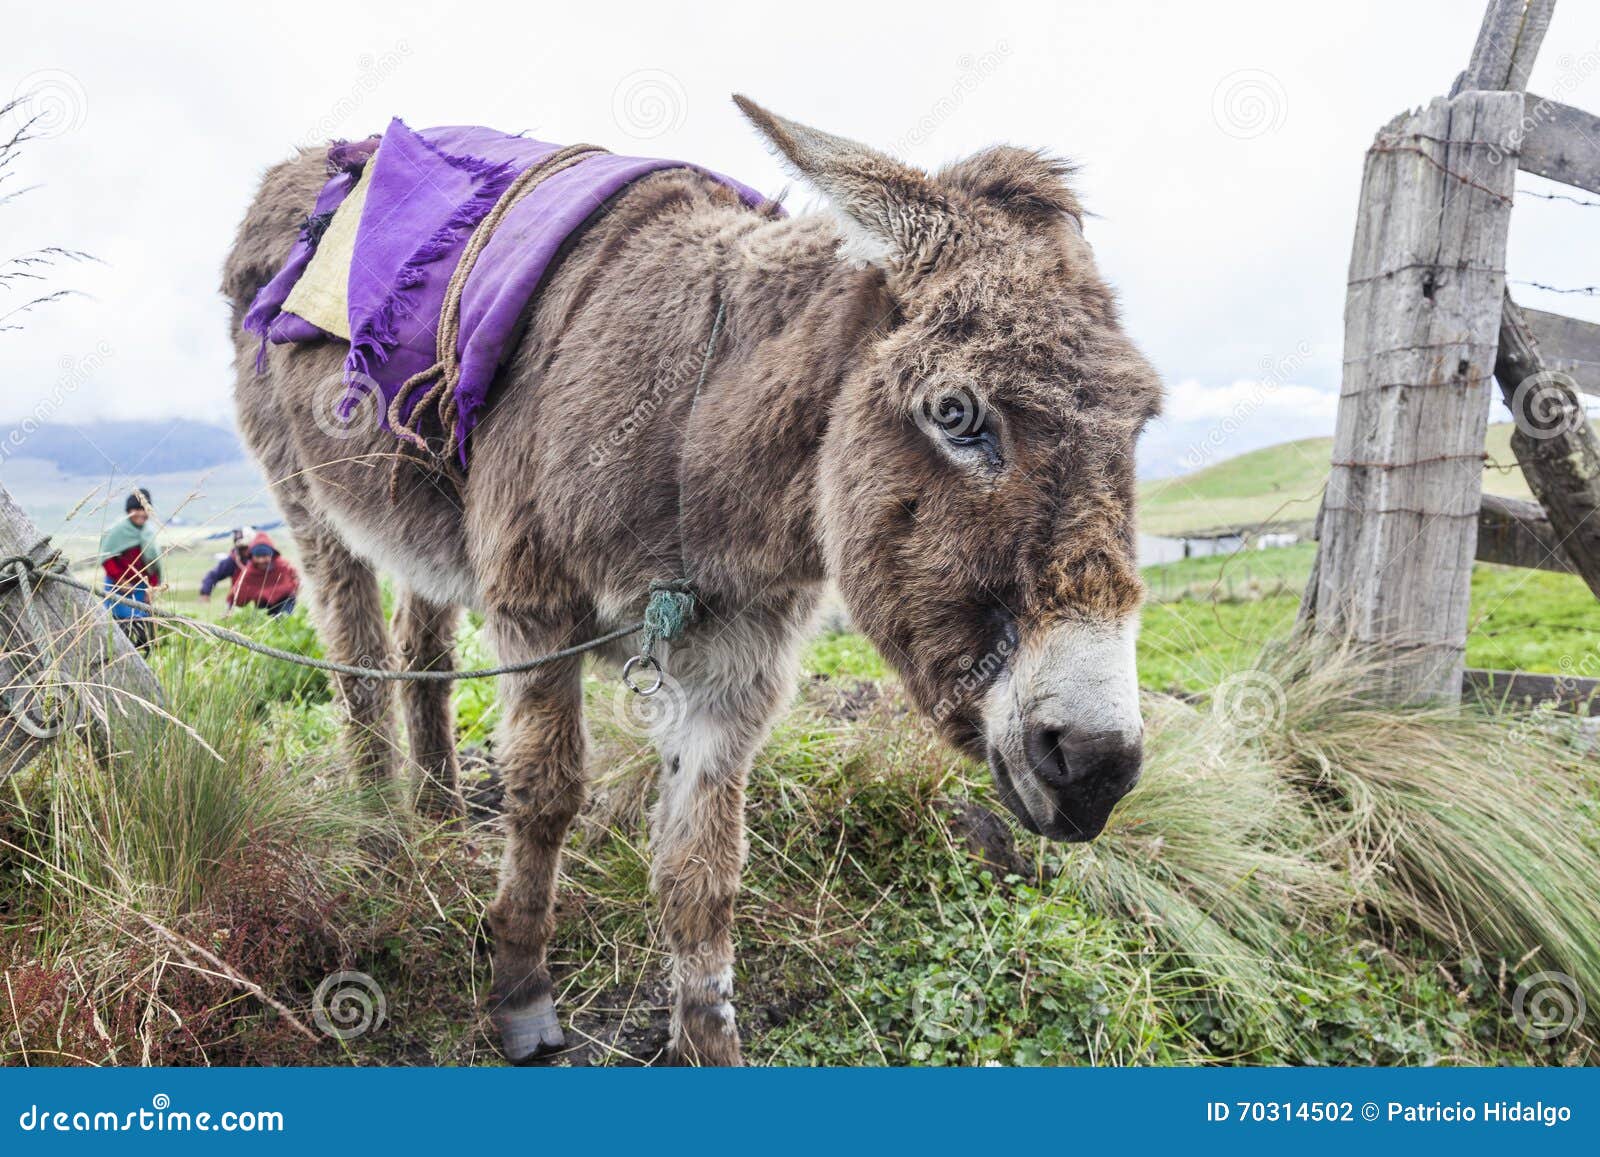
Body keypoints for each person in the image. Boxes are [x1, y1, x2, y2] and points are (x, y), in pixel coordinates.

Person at [99, 489, 162, 650]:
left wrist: (152, 587)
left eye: (144, 509)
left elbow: (153, 565)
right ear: (128, 511)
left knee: (143, 630)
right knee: (118, 628)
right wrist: (121, 581)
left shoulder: (148, 532)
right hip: (118, 587)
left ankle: (142, 657)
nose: (141, 513)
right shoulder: (117, 531)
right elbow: (107, 559)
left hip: (141, 589)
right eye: (136, 509)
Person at [226, 531, 300, 616]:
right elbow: (238, 592)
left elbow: (295, 578)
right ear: (252, 556)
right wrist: (229, 609)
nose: (261, 560)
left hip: (285, 601)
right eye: (257, 556)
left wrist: (295, 591)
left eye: (264, 556)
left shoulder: (282, 565)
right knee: (262, 618)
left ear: (271, 555)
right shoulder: (249, 572)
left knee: (284, 618)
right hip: (263, 606)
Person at [198, 527, 253, 604]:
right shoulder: (233, 561)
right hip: (239, 602)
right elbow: (212, 576)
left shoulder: (262, 558)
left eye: (247, 547)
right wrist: (205, 593)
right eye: (242, 548)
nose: (245, 551)